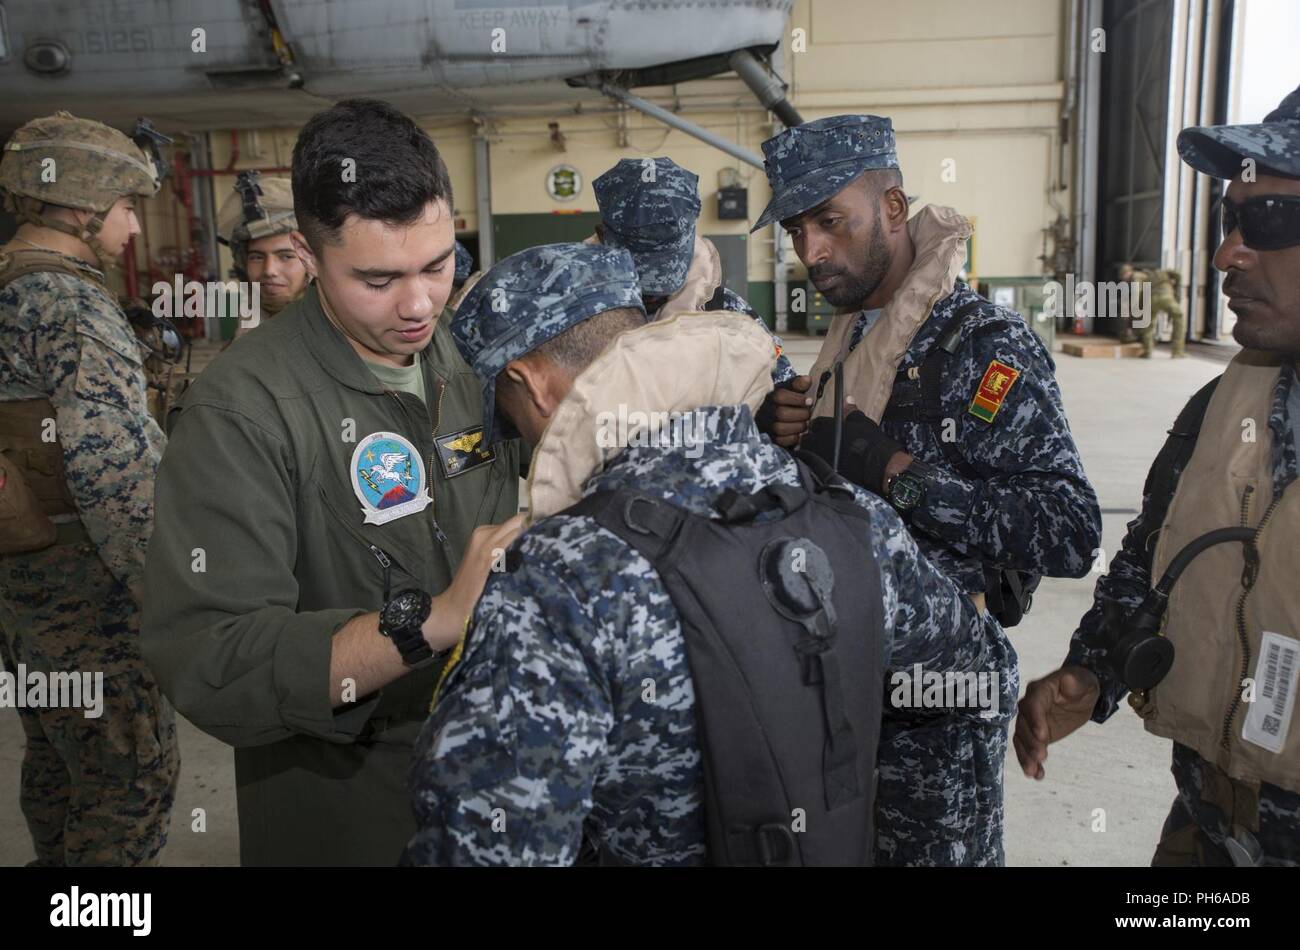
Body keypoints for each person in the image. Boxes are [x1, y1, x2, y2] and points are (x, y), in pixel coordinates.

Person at [402, 242, 996, 866]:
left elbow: (485, 847)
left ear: (531, 384)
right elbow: (976, 684)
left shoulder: (559, 582)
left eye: (510, 414)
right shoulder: (851, 514)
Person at [140, 99, 523, 866]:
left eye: (440, 263)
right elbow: (212, 659)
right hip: (347, 803)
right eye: (378, 278)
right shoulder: (241, 411)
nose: (419, 304)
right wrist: (427, 623)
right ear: (308, 258)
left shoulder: (466, 352)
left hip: (495, 776)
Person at [753, 114, 1102, 865]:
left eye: (828, 222)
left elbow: (1068, 530)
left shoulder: (982, 344)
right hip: (837, 682)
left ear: (891, 209)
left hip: (936, 701)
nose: (809, 251)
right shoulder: (852, 336)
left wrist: (891, 471)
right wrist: (779, 437)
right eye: (794, 231)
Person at [1016, 84, 1300, 866]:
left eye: (1268, 222)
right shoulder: (1225, 404)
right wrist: (1093, 670)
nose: (1226, 255)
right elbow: (1153, 555)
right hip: (1210, 829)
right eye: (1228, 220)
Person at [0, 110, 179, 865]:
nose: (136, 226)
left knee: (58, 763)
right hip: (86, 584)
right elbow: (110, 470)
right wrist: (162, 590)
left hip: (24, 581)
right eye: (128, 205)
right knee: (128, 776)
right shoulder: (69, 305)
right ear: (83, 206)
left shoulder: (9, 282)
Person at [591, 157, 796, 385]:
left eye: (663, 268)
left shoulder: (722, 310)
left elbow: (782, 381)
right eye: (638, 268)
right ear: (601, 235)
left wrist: (768, 402)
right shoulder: (566, 313)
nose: (651, 292)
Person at [216, 170, 309, 331]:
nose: (269, 270)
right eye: (257, 257)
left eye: (286, 256)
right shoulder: (250, 322)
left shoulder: (342, 328)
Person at [1121, 262, 1186, 358]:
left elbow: (1137, 291)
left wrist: (1134, 309)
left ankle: (1148, 352)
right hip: (1166, 297)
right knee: (1179, 319)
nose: (1125, 279)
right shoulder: (1163, 273)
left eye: (1124, 276)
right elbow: (1178, 275)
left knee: (1148, 326)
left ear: (1128, 272)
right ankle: (1177, 352)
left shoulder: (1136, 276)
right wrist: (1177, 292)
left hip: (1152, 299)